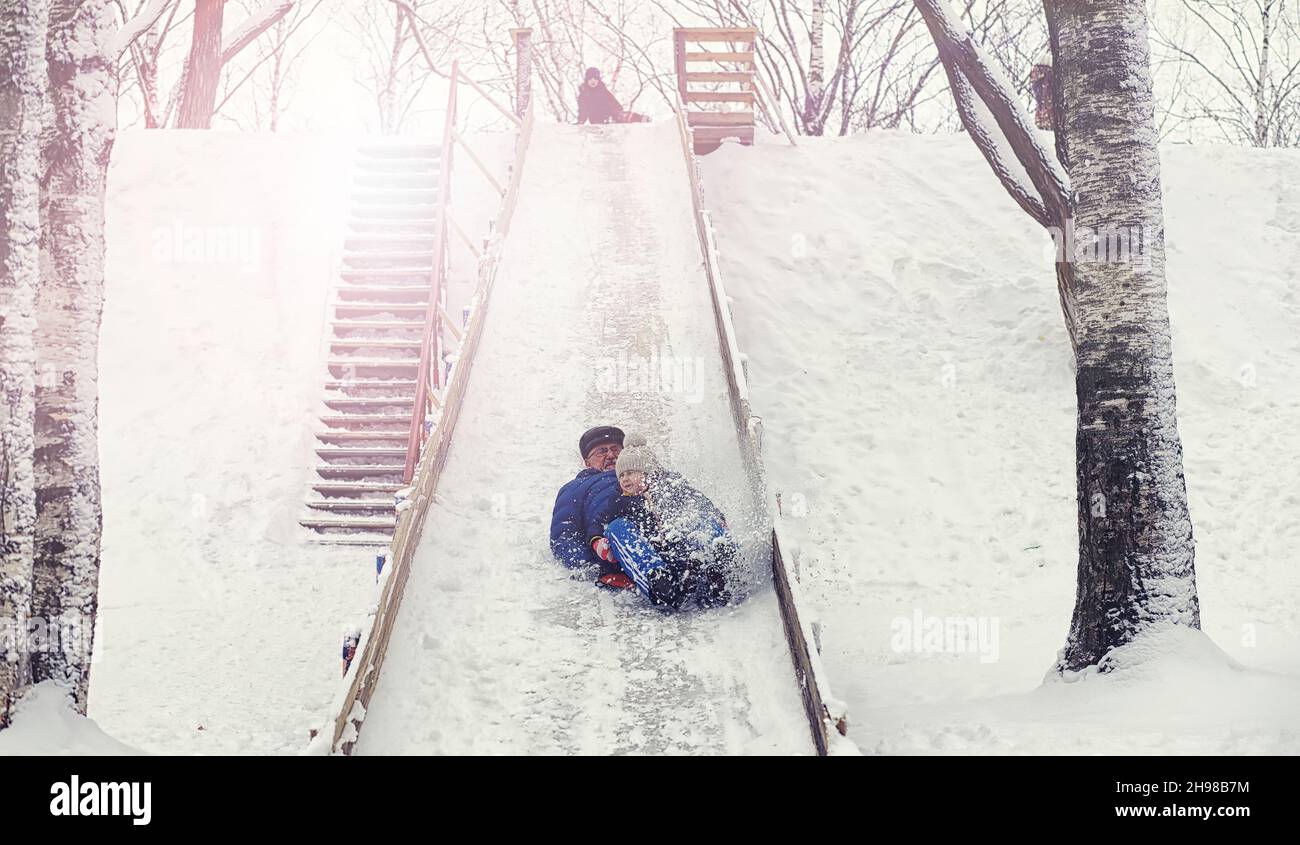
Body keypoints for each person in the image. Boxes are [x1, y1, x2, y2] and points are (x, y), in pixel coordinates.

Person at [590, 434, 736, 609]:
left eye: (631, 473)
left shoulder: (671, 487)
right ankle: (658, 581)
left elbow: (700, 501)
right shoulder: (619, 501)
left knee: (700, 517)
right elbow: (598, 523)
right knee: (616, 527)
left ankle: (723, 565)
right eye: (621, 475)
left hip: (684, 554)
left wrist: (717, 518)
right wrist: (597, 541)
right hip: (658, 559)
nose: (625, 479)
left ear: (648, 473)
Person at [549, 425, 635, 589]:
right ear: (587, 463)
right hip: (614, 547)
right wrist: (596, 567)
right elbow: (564, 534)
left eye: (616, 449)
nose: (610, 455)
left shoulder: (646, 474)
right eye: (602, 451)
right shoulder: (575, 487)